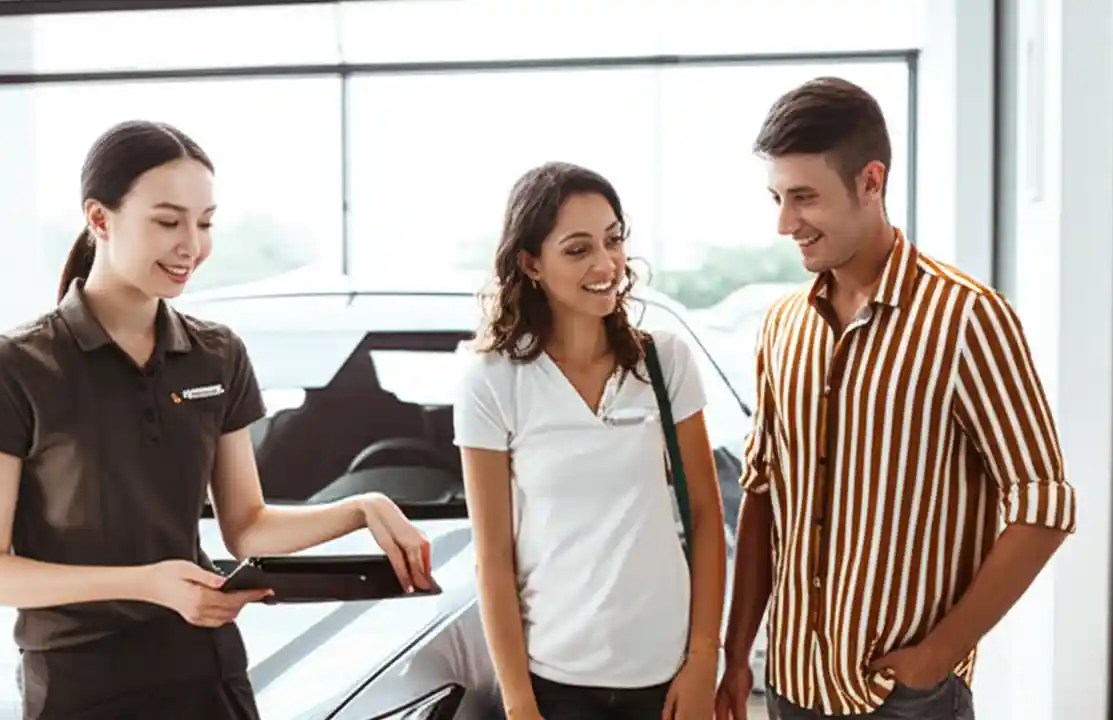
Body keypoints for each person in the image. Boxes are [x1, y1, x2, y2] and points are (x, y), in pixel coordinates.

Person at [0, 120, 436, 720]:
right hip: (79, 681)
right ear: (99, 219)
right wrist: (145, 584)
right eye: (168, 222)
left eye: (204, 223)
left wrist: (362, 508)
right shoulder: (19, 365)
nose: (192, 246)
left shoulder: (217, 353)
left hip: (206, 670)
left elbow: (248, 528)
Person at [714, 78, 1077, 720]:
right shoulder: (782, 327)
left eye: (804, 197)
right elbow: (763, 494)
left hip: (905, 697)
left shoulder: (968, 318)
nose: (785, 224)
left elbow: (1043, 503)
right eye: (777, 198)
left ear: (871, 182)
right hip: (792, 687)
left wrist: (939, 654)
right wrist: (737, 654)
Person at [454, 162, 727, 720]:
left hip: (667, 679)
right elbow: (493, 558)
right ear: (531, 263)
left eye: (613, 240)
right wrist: (520, 704)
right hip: (555, 685)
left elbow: (705, 515)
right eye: (578, 250)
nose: (606, 265)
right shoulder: (493, 378)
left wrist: (704, 660)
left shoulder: (664, 361)